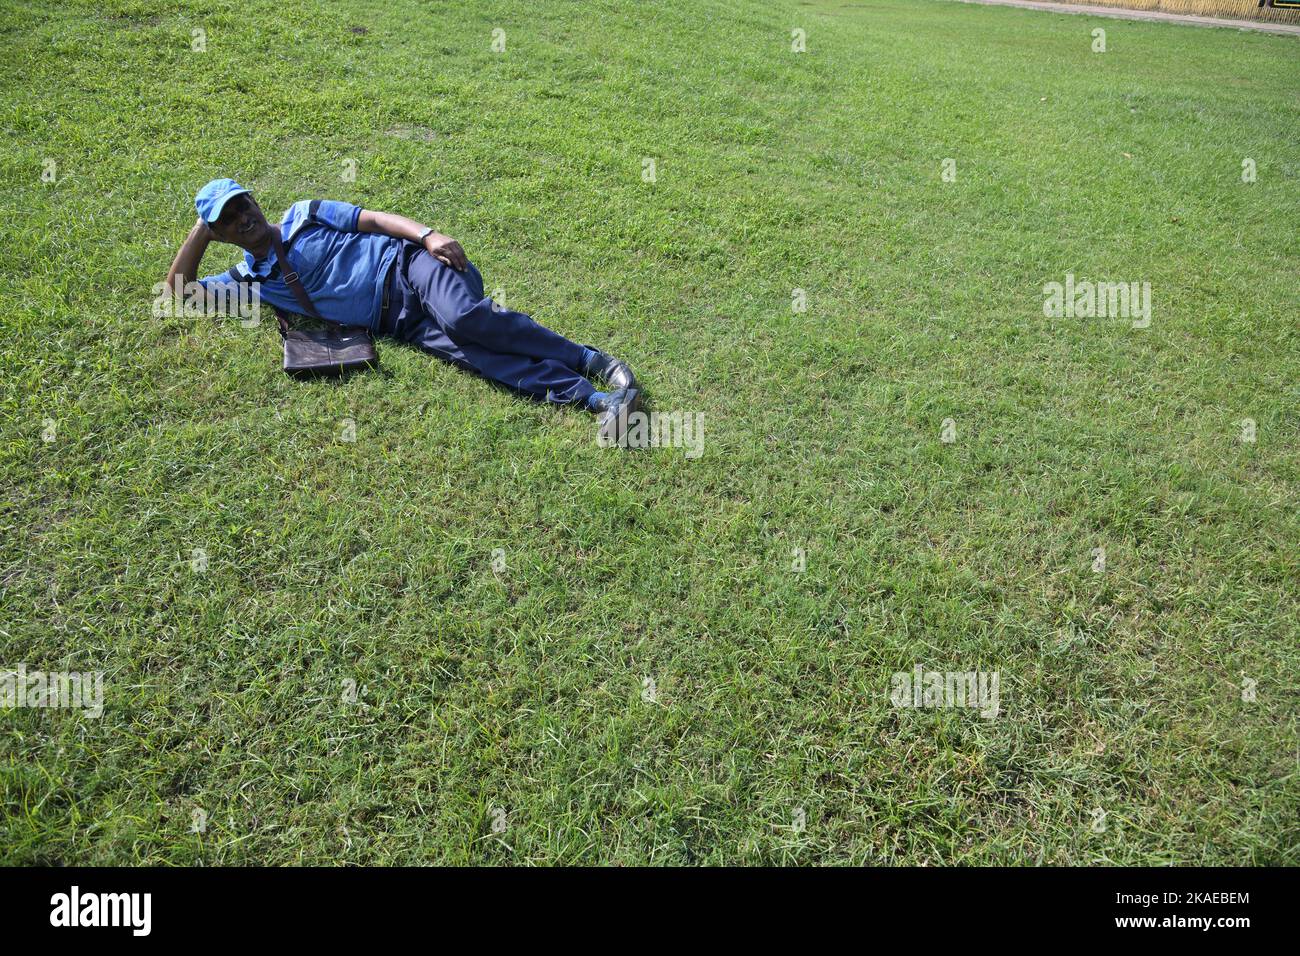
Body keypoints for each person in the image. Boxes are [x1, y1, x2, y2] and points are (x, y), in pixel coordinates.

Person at [165, 178, 641, 440]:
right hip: (398, 321)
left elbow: (371, 218)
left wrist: (428, 236)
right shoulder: (253, 280)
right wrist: (200, 230)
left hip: (411, 265)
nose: (243, 218)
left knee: (467, 319)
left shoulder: (303, 214)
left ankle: (592, 360)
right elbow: (180, 292)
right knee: (477, 358)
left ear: (255, 198)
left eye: (242, 205)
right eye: (228, 220)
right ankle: (597, 400)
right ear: (221, 235)